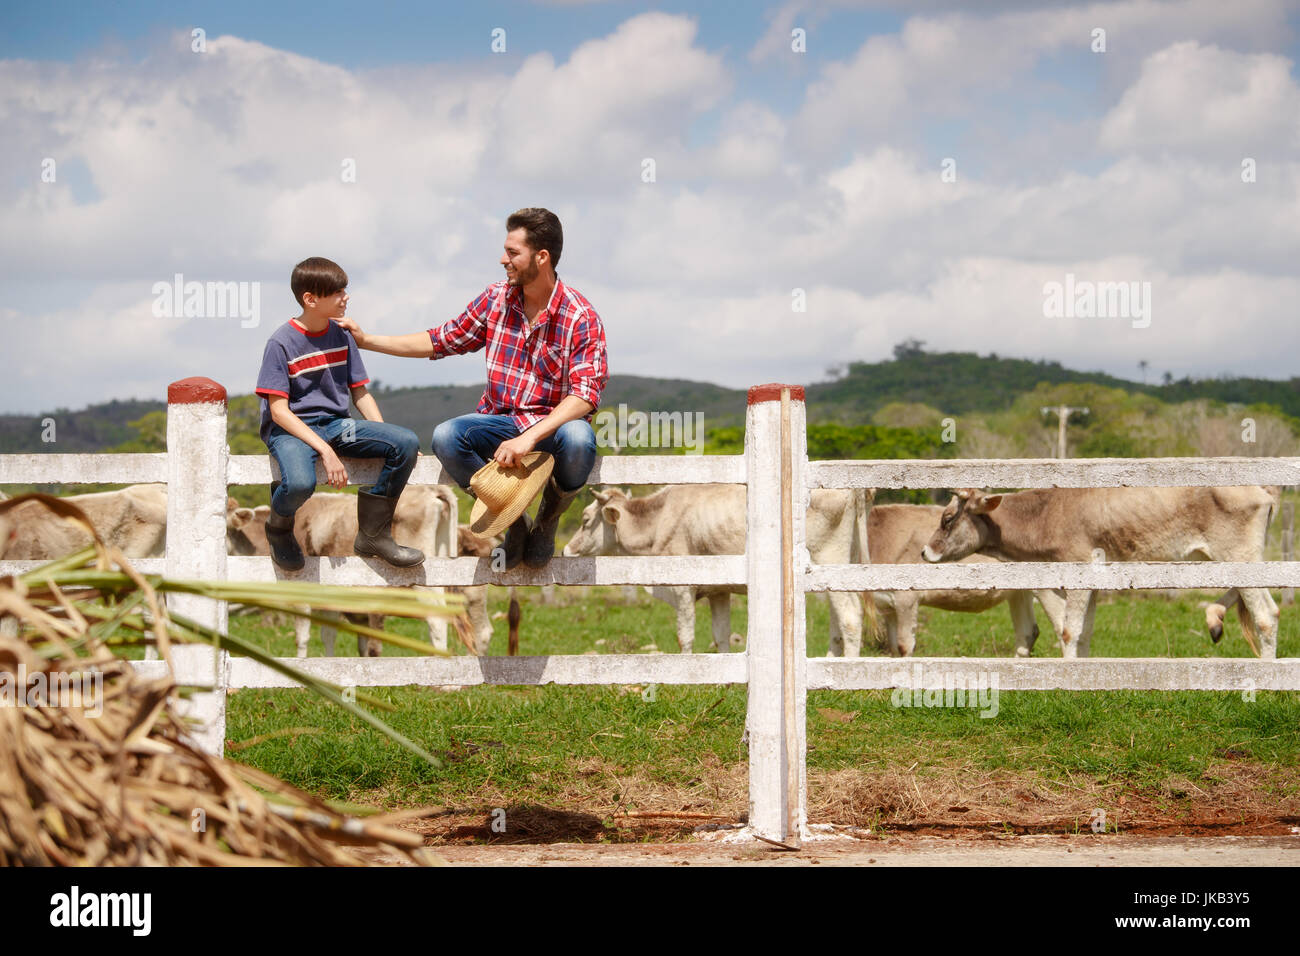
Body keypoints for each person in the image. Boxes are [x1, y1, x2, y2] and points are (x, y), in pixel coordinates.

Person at [334, 207, 607, 568]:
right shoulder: (496, 299)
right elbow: (441, 340)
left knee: (579, 439)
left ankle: (546, 519)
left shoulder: (580, 315)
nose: (503, 260)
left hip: (552, 427)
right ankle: (513, 519)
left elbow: (585, 395)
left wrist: (528, 438)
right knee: (447, 436)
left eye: (512, 253)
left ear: (542, 257)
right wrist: (367, 340)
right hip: (501, 423)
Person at [255, 256, 424, 571]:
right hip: (292, 429)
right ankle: (278, 527)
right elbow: (278, 412)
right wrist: (325, 451)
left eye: (345, 290)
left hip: (337, 425)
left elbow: (359, 391)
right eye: (337, 292)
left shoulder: (342, 335)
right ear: (311, 299)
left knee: (405, 442)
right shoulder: (280, 343)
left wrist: (385, 436)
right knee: (301, 483)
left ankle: (373, 535)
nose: (345, 298)